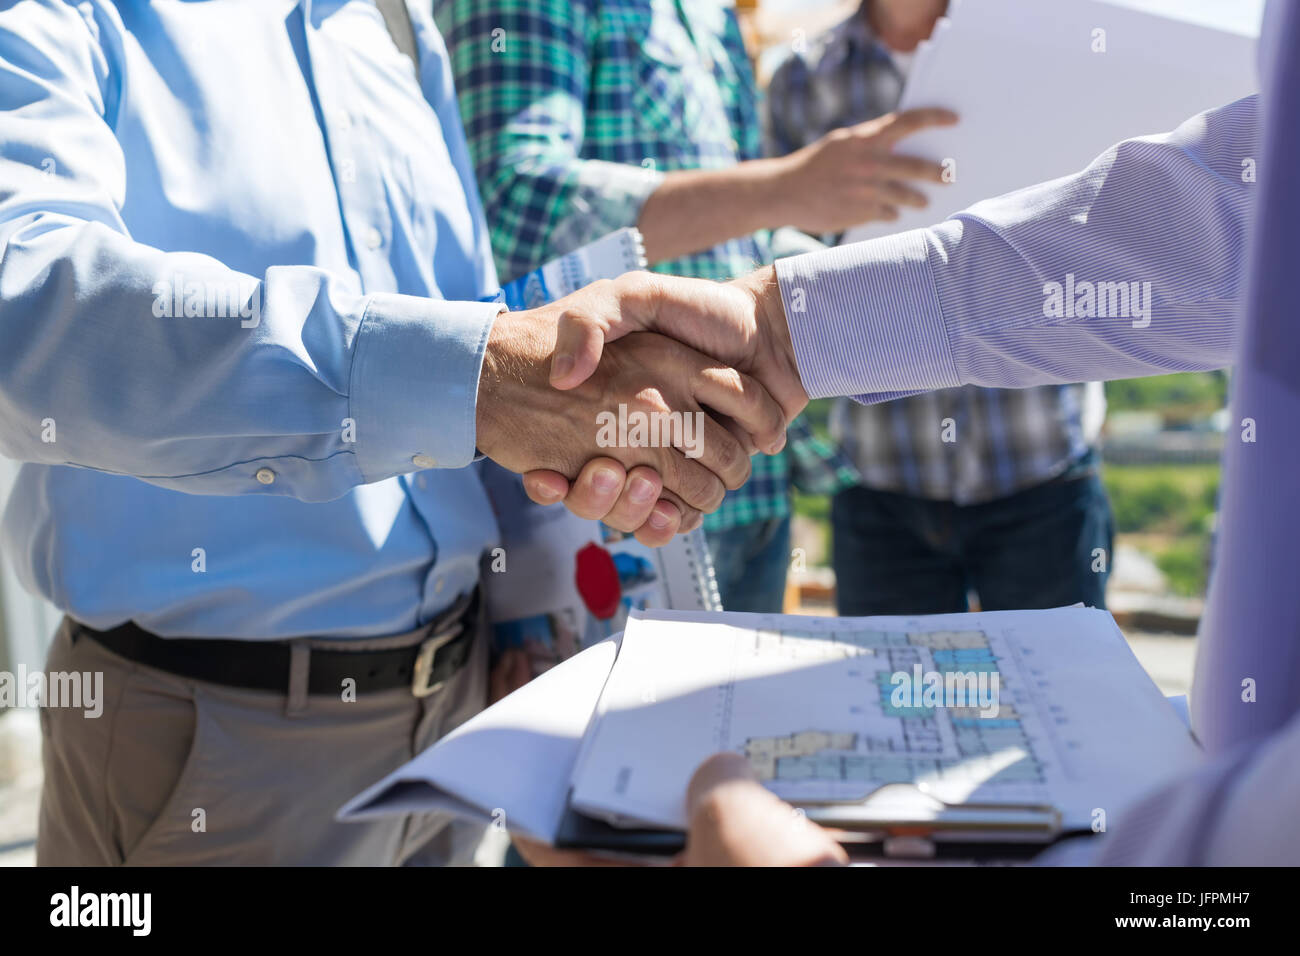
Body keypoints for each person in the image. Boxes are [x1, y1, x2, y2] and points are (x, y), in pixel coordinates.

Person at [0, 0, 782, 865]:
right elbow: (21, 307)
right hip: (212, 749)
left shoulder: (397, 26)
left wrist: (532, 628)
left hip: (458, 724)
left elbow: (476, 316)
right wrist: (483, 380)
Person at [521, 0, 1300, 862]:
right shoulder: (798, 76)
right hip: (873, 489)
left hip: (1035, 481)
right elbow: (1219, 218)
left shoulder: (1048, 38)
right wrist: (785, 332)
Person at [433, 0, 954, 611]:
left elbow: (739, 239)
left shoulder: (714, 15)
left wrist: (870, 273)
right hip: (614, 498)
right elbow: (514, 208)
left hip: (750, 476)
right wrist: (787, 187)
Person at [766, 0, 1114, 616]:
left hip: (1040, 467)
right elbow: (778, 242)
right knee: (896, 708)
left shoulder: (1032, 51)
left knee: (1058, 703)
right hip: (881, 481)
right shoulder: (801, 78)